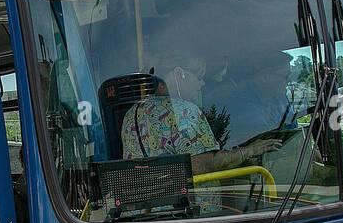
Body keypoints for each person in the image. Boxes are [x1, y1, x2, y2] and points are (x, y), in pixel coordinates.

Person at [121, 56, 282, 174]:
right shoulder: (184, 111)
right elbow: (202, 165)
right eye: (199, 76)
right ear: (179, 74)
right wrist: (248, 151)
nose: (202, 83)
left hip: (146, 214)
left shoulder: (130, 114)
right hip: (192, 213)